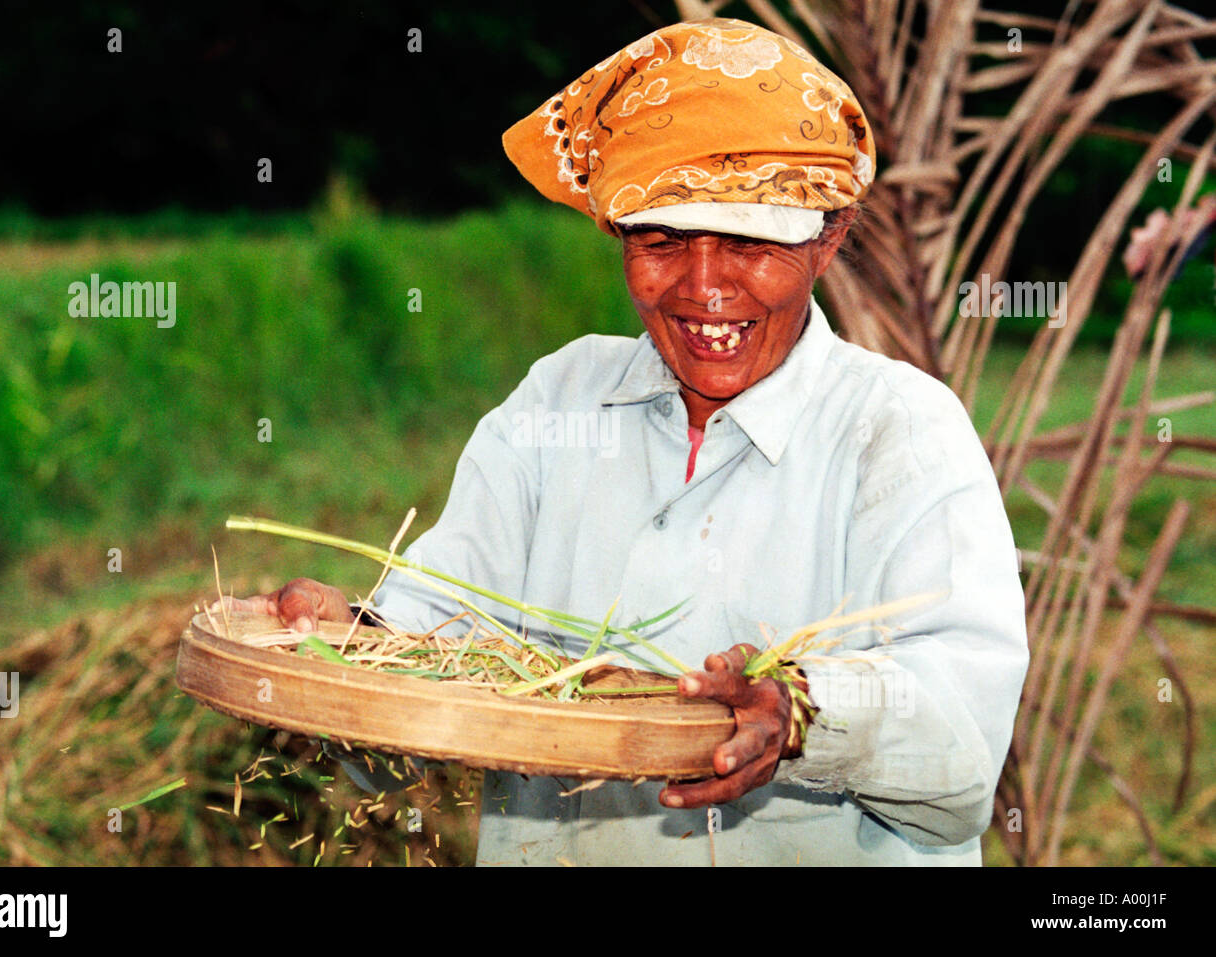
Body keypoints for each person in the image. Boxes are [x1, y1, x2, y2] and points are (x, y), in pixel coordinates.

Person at [241, 18, 1028, 865]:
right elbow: (436, 637)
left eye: (749, 244)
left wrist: (801, 715)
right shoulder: (560, 402)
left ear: (828, 240)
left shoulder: (899, 432)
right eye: (660, 240)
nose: (702, 287)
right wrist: (347, 643)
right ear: (620, 238)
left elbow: (962, 750)